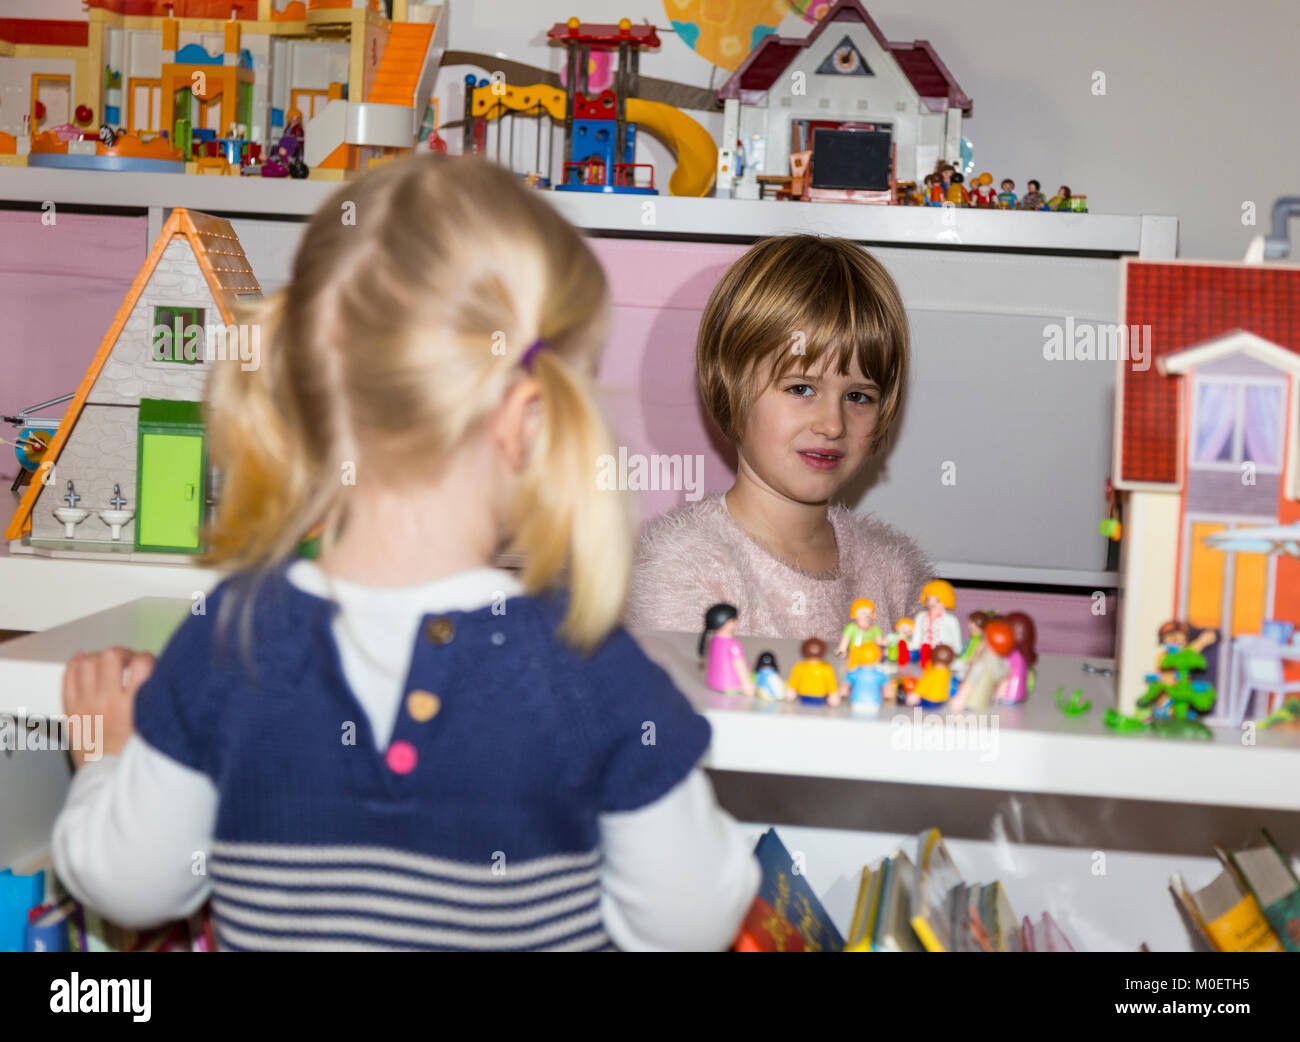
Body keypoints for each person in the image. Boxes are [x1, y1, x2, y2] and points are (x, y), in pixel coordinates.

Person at [52, 156, 759, 952]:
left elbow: (133, 886)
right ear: (530, 420)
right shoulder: (592, 669)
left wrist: (109, 762)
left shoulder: (229, 640)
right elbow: (691, 924)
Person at [623, 235, 932, 641]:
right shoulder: (684, 567)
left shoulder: (896, 575)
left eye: (858, 397)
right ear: (730, 383)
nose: (832, 424)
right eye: (801, 389)